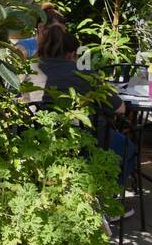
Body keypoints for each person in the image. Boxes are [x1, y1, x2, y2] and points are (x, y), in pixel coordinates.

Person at [30, 14, 137, 188]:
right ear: (72, 54)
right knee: (127, 148)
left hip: (38, 139)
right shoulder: (84, 73)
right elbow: (120, 109)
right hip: (84, 140)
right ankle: (110, 197)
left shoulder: (27, 71)